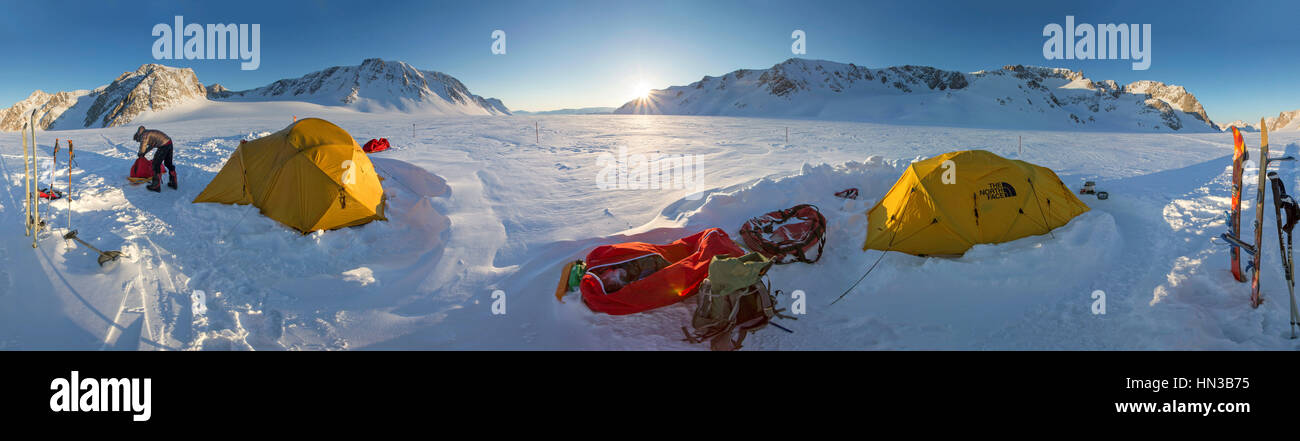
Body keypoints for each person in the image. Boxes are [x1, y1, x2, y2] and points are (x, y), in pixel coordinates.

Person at [135, 126, 176, 192]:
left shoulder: (144, 135)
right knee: (168, 163)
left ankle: (156, 186)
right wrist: (145, 152)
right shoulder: (149, 133)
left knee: (155, 164)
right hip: (169, 142)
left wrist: (141, 153)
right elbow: (152, 145)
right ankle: (173, 182)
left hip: (163, 145)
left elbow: (143, 145)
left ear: (139, 134)